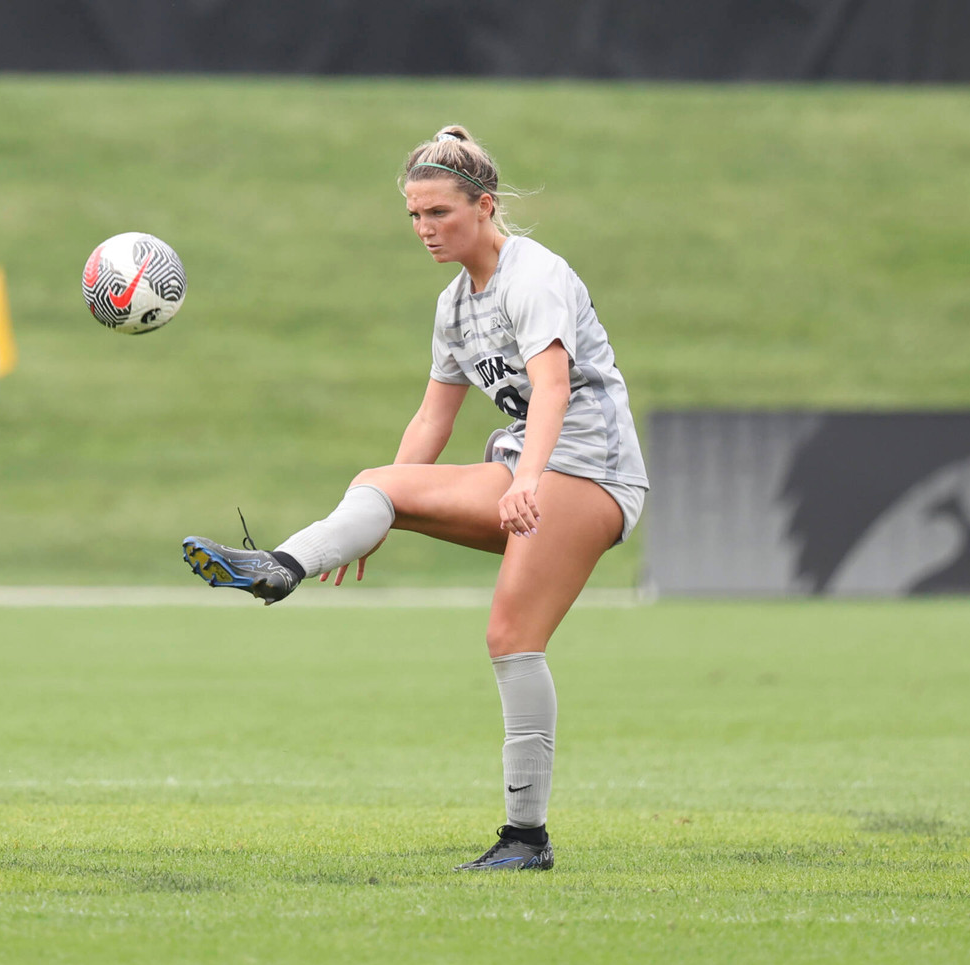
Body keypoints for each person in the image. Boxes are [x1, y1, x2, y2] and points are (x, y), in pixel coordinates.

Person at [182, 124, 649, 871]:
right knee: (376, 483)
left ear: (485, 206)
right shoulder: (454, 305)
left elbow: (554, 387)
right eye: (414, 215)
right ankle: (280, 566)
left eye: (439, 213)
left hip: (592, 473)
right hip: (526, 469)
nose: (425, 229)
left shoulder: (535, 276)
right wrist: (373, 522)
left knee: (510, 637)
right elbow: (433, 417)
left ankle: (526, 840)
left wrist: (530, 478)